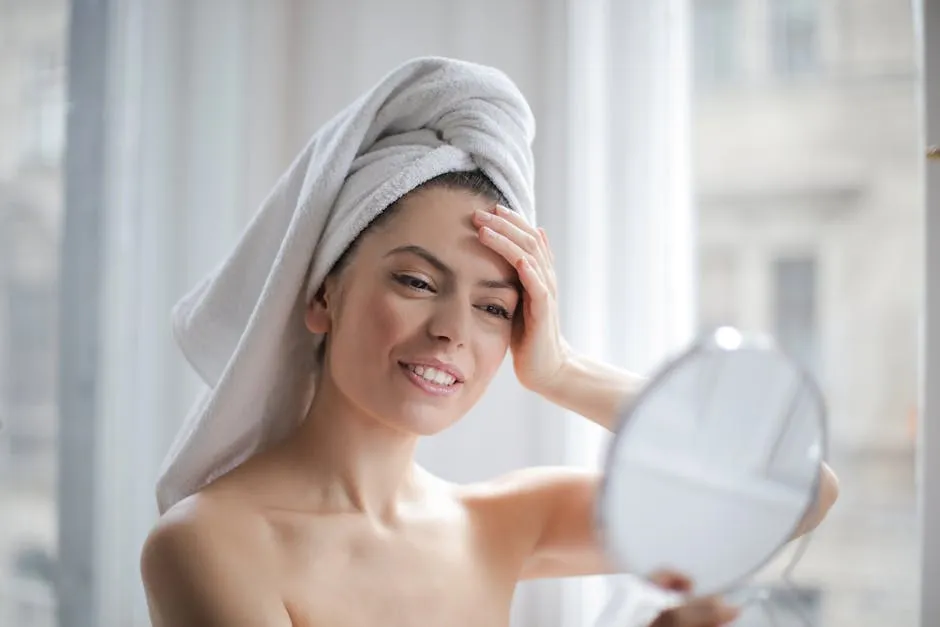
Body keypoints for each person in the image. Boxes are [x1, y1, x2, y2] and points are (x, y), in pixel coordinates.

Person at [140, 59, 839, 627]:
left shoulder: (501, 522)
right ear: (322, 293)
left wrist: (562, 371)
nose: (451, 329)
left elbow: (797, 490)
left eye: (493, 306)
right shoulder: (210, 542)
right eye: (416, 280)